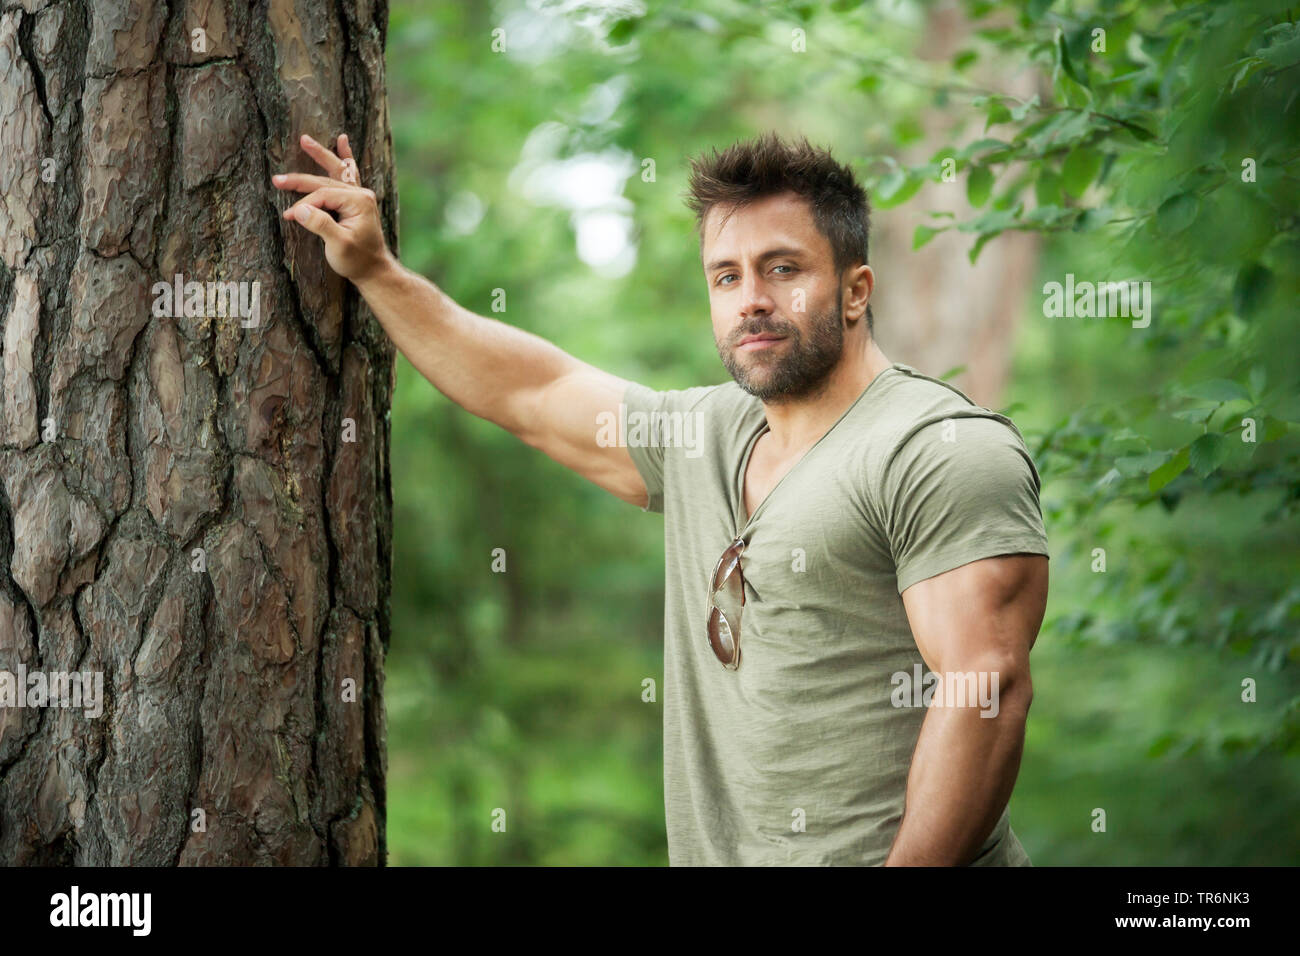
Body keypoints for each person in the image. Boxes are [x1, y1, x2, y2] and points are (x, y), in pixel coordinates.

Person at [274, 130, 1050, 866]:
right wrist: (376, 270)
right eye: (727, 275)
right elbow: (535, 392)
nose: (751, 299)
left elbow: (986, 687)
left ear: (855, 291)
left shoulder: (938, 450)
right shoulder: (702, 434)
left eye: (784, 269)